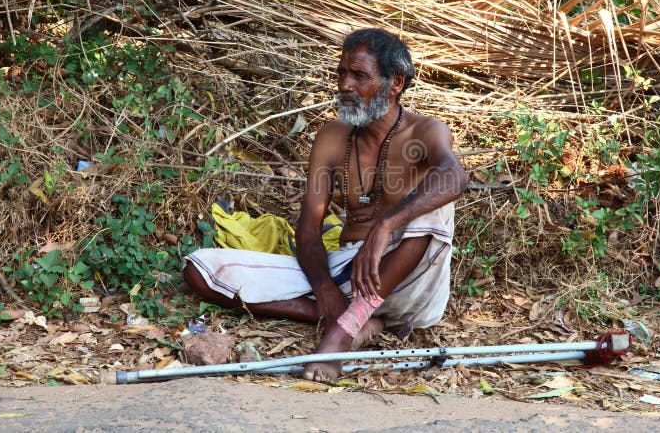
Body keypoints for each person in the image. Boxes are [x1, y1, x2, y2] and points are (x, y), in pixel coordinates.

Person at [183, 28, 468, 381]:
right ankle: (355, 316)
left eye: (359, 76)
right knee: (202, 269)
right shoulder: (332, 137)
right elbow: (308, 227)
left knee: (436, 196)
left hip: (411, 281)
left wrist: (384, 227)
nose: (345, 85)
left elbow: (457, 176)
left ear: (395, 83)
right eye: (342, 73)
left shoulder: (425, 132)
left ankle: (341, 332)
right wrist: (325, 289)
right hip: (350, 273)